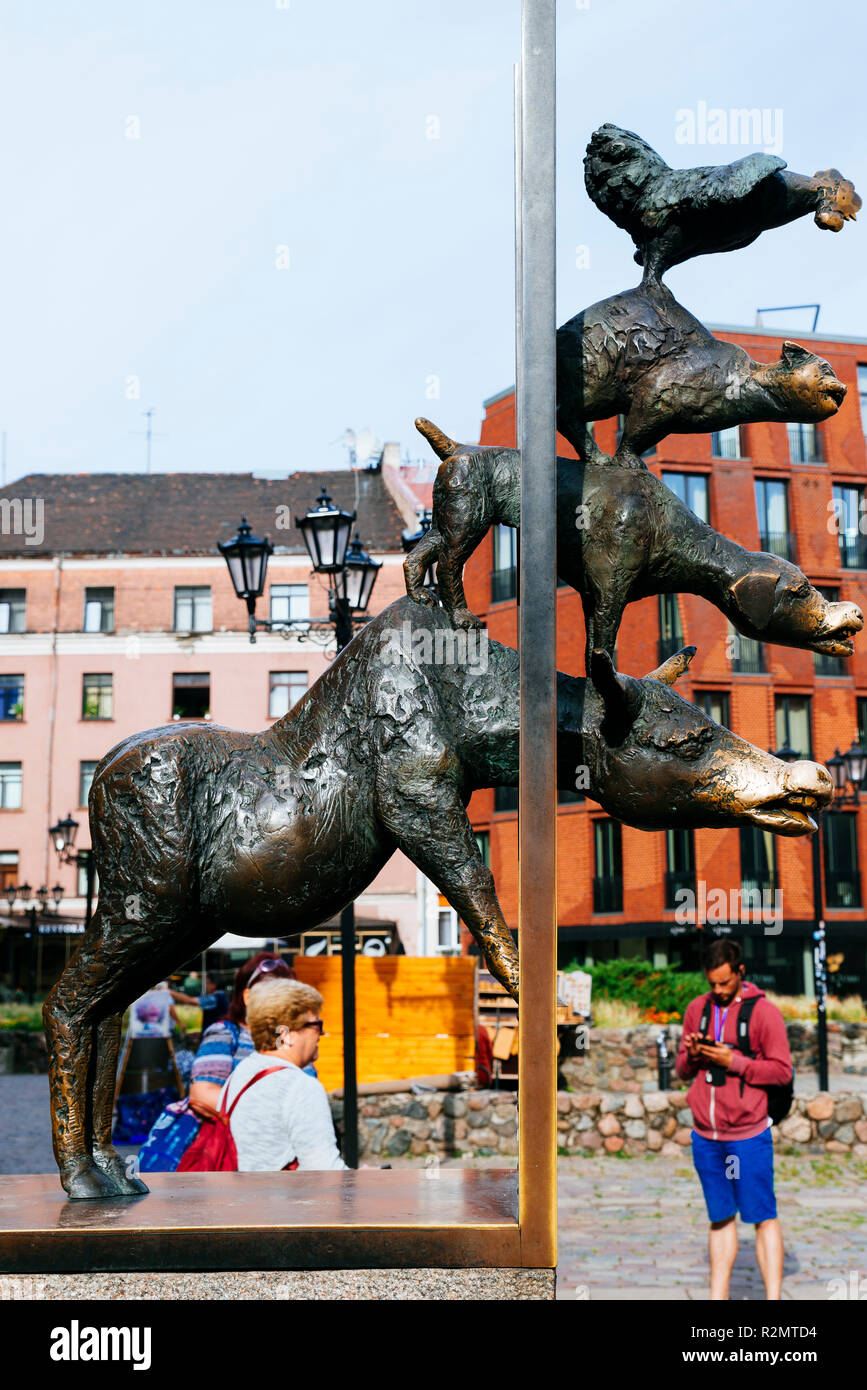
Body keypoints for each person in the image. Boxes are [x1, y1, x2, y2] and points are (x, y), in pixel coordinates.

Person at [676, 937, 792, 1301]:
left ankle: (772, 1298)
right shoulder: (698, 1008)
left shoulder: (765, 1012)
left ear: (740, 972)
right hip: (706, 1135)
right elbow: (681, 1070)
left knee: (761, 1215)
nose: (718, 990)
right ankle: (718, 1297)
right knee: (720, 1216)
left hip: (748, 1134)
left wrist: (733, 1062)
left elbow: (781, 1071)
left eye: (725, 982)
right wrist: (694, 1054)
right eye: (712, 983)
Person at [221, 977, 347, 1171]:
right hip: (282, 1200)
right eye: (316, 1025)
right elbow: (325, 1172)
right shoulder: (300, 1086)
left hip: (241, 1198)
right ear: (286, 1034)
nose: (322, 1033)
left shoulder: (238, 1075)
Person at [188, 953, 295, 1110]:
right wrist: (264, 1114)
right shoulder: (224, 1033)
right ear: (248, 996)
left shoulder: (290, 1036)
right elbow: (203, 1093)